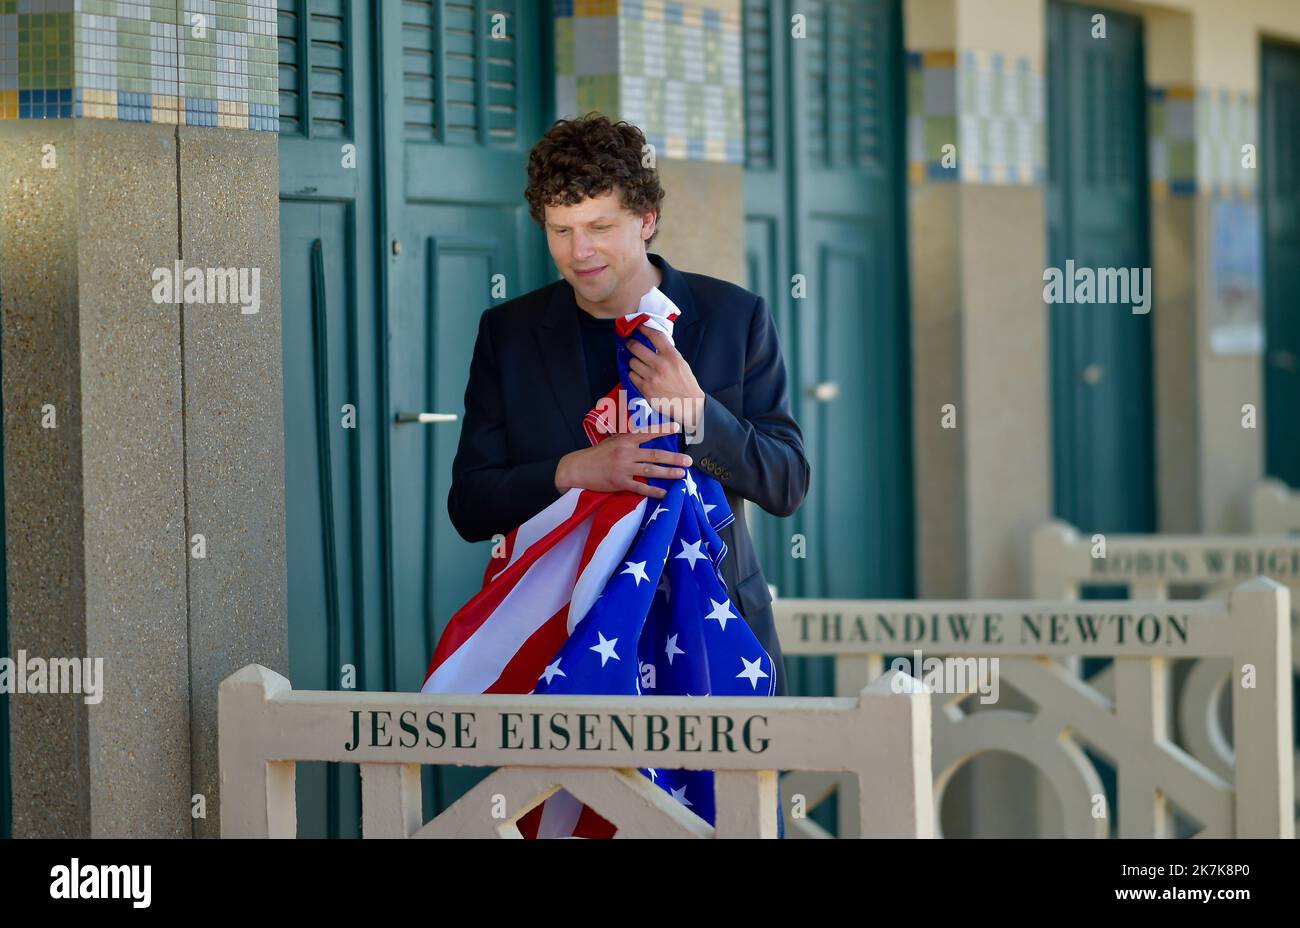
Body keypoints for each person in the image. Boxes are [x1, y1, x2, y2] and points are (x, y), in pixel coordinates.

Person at [448, 111, 810, 702]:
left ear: (647, 220)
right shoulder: (507, 333)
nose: (579, 252)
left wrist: (696, 412)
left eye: (599, 226)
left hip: (712, 639)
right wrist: (574, 471)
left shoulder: (735, 318)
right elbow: (469, 504)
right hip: (564, 644)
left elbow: (787, 483)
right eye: (560, 230)